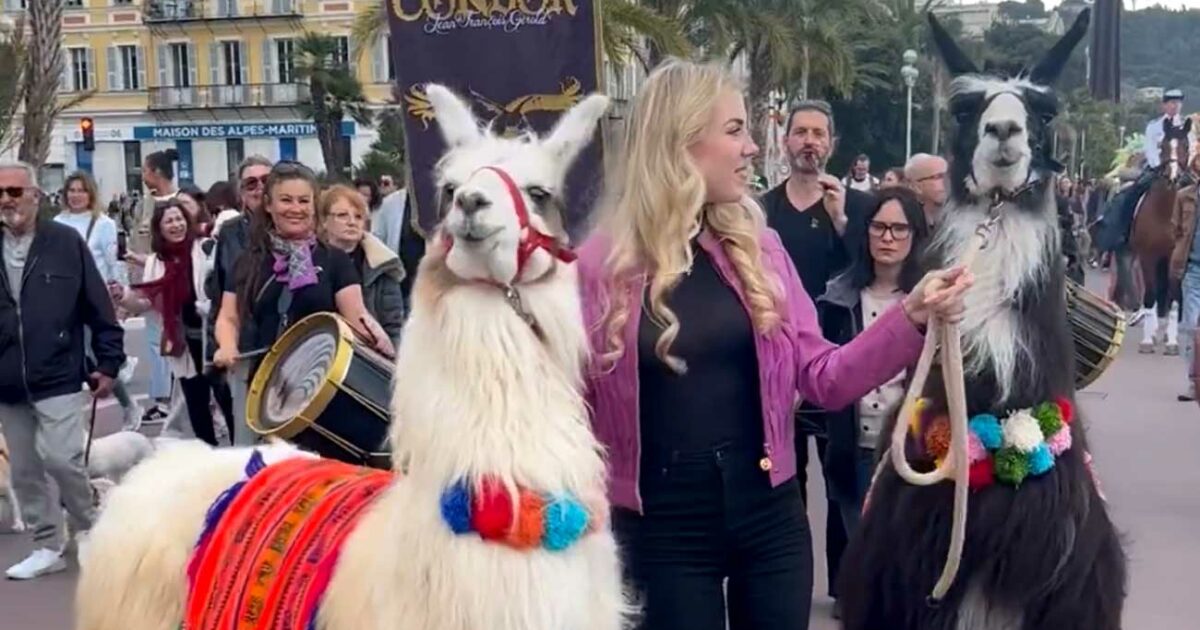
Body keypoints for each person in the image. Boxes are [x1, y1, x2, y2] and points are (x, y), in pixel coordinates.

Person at [577, 59, 971, 630]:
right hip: (659, 524)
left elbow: (826, 377)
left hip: (769, 510)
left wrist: (911, 315)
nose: (753, 149)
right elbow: (564, 408)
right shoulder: (597, 268)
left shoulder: (758, 250)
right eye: (735, 130)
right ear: (681, 141)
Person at [758, 98, 875, 611]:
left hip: (833, 360)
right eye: (800, 131)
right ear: (786, 141)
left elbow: (871, 270)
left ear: (832, 144)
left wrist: (844, 221)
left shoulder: (856, 209)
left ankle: (846, 586)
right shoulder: (761, 210)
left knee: (839, 475)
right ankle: (788, 584)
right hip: (777, 364)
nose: (809, 141)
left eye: (818, 133)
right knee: (785, 481)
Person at [0, 161, 125, 580]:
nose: (6, 201)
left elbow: (97, 306)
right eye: (0, 193)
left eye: (15, 192)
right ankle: (46, 543)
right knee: (23, 469)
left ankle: (90, 527)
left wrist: (109, 361)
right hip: (7, 380)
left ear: (36, 196)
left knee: (61, 458)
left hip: (59, 372)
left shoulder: (65, 242)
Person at [815, 187, 930, 539]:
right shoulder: (839, 297)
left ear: (915, 235)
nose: (888, 238)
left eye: (899, 229)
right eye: (879, 227)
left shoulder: (930, 299)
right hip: (855, 451)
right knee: (864, 556)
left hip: (913, 451)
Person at [212, 162, 394, 382]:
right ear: (269, 205)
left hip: (324, 382)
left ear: (314, 205)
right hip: (267, 384)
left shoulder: (335, 260)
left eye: (304, 201)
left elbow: (357, 319)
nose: (296, 209)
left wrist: (381, 344)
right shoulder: (247, 262)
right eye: (286, 200)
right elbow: (229, 317)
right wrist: (227, 345)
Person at [124, 201, 234, 446]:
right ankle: (208, 452)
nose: (176, 225)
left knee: (226, 397)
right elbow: (145, 303)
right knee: (196, 402)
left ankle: (239, 448)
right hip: (182, 342)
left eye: (179, 218)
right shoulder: (156, 262)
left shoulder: (204, 247)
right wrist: (123, 297)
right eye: (169, 221)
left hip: (212, 336)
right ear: (159, 229)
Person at [54, 172, 142, 429]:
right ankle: (72, 420)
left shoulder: (103, 223)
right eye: (71, 190)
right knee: (74, 356)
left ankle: (129, 405)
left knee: (99, 357)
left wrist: (120, 292)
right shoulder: (57, 223)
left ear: (90, 194)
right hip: (66, 299)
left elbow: (112, 260)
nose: (76, 195)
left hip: (96, 298)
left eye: (82, 190)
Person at [209, 155, 272, 443]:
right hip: (245, 350)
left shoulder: (296, 227)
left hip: (289, 347)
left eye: (267, 181)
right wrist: (223, 343)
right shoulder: (231, 233)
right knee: (247, 441)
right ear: (241, 194)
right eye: (251, 183)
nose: (260, 188)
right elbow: (222, 296)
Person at [128, 149, 182, 426]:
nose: (144, 177)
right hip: (146, 282)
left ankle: (164, 400)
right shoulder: (143, 205)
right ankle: (165, 397)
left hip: (170, 282)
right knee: (155, 340)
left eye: (146, 172)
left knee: (165, 341)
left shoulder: (180, 202)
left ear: (156, 173)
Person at [318, 185, 406, 349]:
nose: (351, 222)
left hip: (371, 359)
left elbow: (394, 327)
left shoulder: (382, 266)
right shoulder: (312, 262)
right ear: (324, 221)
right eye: (342, 215)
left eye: (358, 217)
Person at [1170, 154, 1200, 401]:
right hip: (1193, 269)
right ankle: (1194, 382)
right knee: (1192, 326)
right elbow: (1176, 229)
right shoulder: (1184, 195)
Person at [904, 153, 948, 230]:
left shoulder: (964, 222)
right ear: (915, 186)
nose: (947, 181)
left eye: (948, 175)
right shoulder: (904, 225)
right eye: (938, 177)